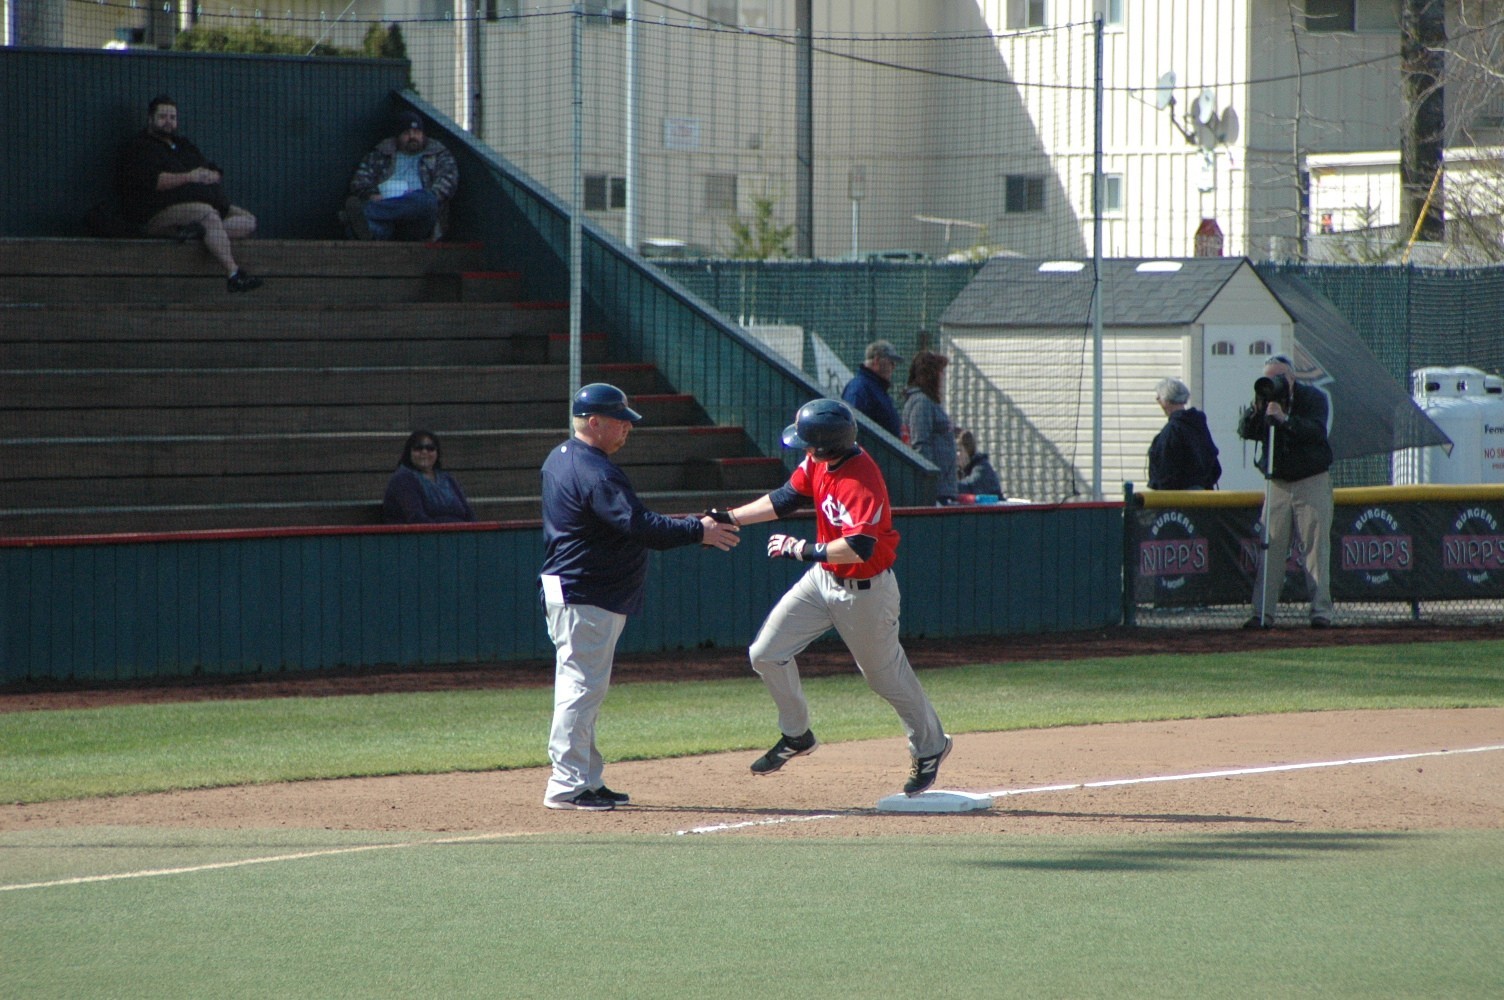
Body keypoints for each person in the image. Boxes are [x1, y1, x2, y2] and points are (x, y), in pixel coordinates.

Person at [714, 398, 952, 797]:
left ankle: (932, 746)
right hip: (823, 580)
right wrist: (731, 516)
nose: (803, 450)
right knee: (765, 653)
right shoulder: (821, 462)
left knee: (884, 677)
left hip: (866, 592)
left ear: (826, 446)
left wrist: (800, 549)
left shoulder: (861, 480)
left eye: (808, 444)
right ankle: (797, 734)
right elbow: (785, 498)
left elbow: (858, 546)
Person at [539, 383, 740, 810]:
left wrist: (690, 525)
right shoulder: (596, 470)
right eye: (620, 420)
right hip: (586, 592)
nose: (628, 428)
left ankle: (586, 779)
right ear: (594, 423)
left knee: (585, 687)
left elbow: (625, 523)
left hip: (578, 590)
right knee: (580, 688)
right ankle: (567, 785)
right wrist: (697, 528)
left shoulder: (562, 457)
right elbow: (639, 525)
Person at [117, 95, 262, 293]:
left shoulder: (183, 144)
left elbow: (211, 167)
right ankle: (234, 274)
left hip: (206, 203)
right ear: (150, 118)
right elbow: (154, 182)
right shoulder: (140, 147)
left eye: (172, 117)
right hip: (160, 211)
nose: (168, 121)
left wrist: (213, 175)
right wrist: (189, 177)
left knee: (247, 221)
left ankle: (201, 232)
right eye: (163, 116)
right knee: (207, 214)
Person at [1237, 354, 1335, 629]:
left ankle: (1321, 613)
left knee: (1315, 549)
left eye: (1278, 378)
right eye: (1269, 379)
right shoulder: (1266, 400)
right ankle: (1262, 614)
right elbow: (1245, 431)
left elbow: (1315, 432)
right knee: (1271, 547)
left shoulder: (1313, 398)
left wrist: (1285, 419)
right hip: (1277, 482)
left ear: (1291, 378)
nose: (1274, 384)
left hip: (1311, 480)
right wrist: (1257, 411)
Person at [345, 112, 459, 241]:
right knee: (359, 228)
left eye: (416, 132)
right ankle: (367, 224)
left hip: (417, 220)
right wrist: (372, 195)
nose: (412, 137)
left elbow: (448, 183)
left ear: (423, 134)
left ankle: (366, 212)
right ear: (397, 136)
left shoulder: (439, 154)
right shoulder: (380, 154)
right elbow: (359, 181)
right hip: (386, 219)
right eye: (406, 133)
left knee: (428, 200)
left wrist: (415, 196)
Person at [901, 349, 958, 503]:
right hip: (935, 492)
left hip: (943, 488)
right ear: (932, 375)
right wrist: (929, 486)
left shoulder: (928, 402)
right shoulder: (921, 403)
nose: (943, 377)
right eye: (941, 372)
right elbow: (920, 444)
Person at [382, 431, 477, 524]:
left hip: (460, 534)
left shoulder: (447, 478)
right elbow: (416, 518)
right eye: (418, 448)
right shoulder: (402, 479)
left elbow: (469, 513)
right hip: (424, 537)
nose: (424, 452)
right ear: (409, 452)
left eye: (430, 448)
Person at [1147, 377, 1221, 490]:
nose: (1157, 400)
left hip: (1179, 501)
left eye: (1159, 397)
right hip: (1205, 499)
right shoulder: (1198, 426)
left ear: (1167, 401)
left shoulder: (1171, 432)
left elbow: (1164, 476)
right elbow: (1215, 468)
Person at [841, 340, 904, 437]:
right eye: (891, 362)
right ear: (877, 361)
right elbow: (851, 428)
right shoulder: (859, 388)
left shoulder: (875, 388)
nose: (894, 367)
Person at [956, 429, 1003, 498]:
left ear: (967, 449)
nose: (954, 455)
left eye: (958, 450)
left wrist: (945, 487)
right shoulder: (960, 471)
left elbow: (970, 487)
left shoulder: (982, 469)